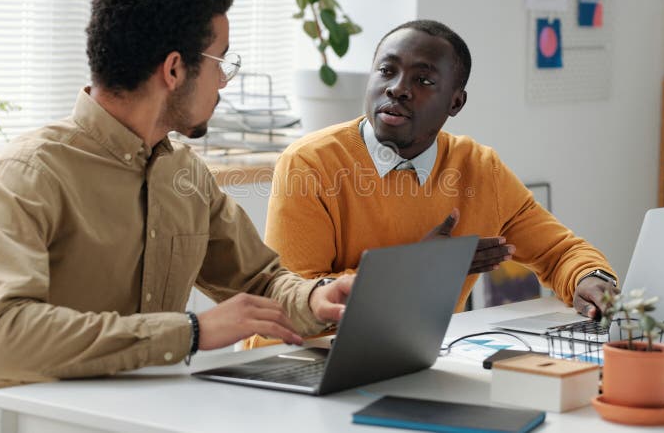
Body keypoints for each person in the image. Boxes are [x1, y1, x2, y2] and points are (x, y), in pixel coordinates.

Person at [0, 0, 353, 427]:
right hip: (43, 421)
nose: (224, 82)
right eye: (221, 62)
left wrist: (317, 298)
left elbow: (260, 280)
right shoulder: (29, 172)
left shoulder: (185, 174)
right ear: (174, 69)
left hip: (151, 414)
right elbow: (1, 337)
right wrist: (190, 332)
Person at [257, 20, 617, 347]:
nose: (398, 89)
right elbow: (293, 303)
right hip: (296, 360)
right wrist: (417, 270)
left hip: (411, 356)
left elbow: (559, 252)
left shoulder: (479, 169)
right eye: (386, 71)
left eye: (424, 81)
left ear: (455, 102)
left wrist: (590, 278)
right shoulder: (310, 163)